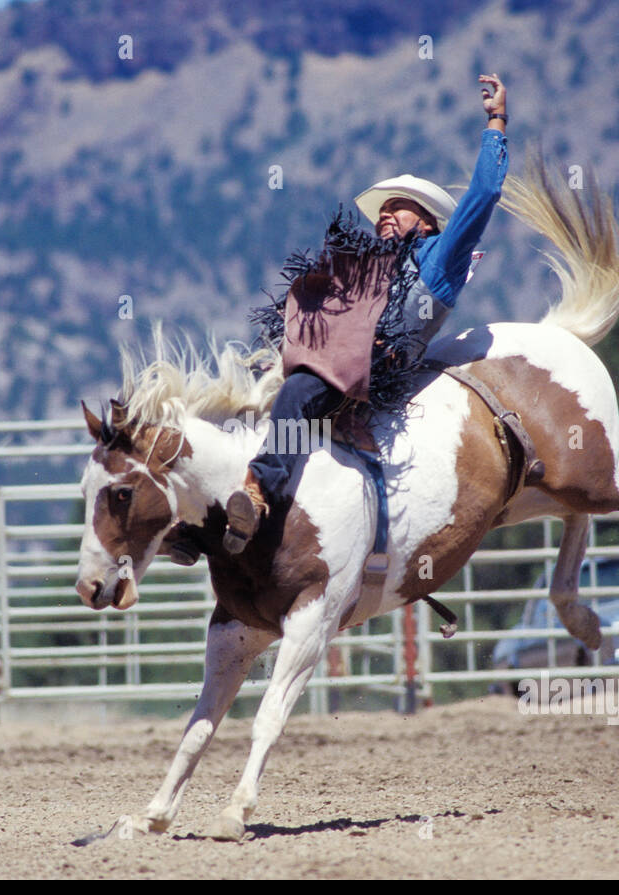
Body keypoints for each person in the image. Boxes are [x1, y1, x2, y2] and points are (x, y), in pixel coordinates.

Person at [218, 74, 511, 555]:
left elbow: (482, 198)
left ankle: (260, 493)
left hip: (377, 373)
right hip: (341, 365)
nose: (386, 215)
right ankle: (198, 519)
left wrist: (495, 121)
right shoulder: (366, 271)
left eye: (400, 207)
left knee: (294, 393)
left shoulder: (439, 257)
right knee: (246, 401)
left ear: (430, 222)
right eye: (383, 211)